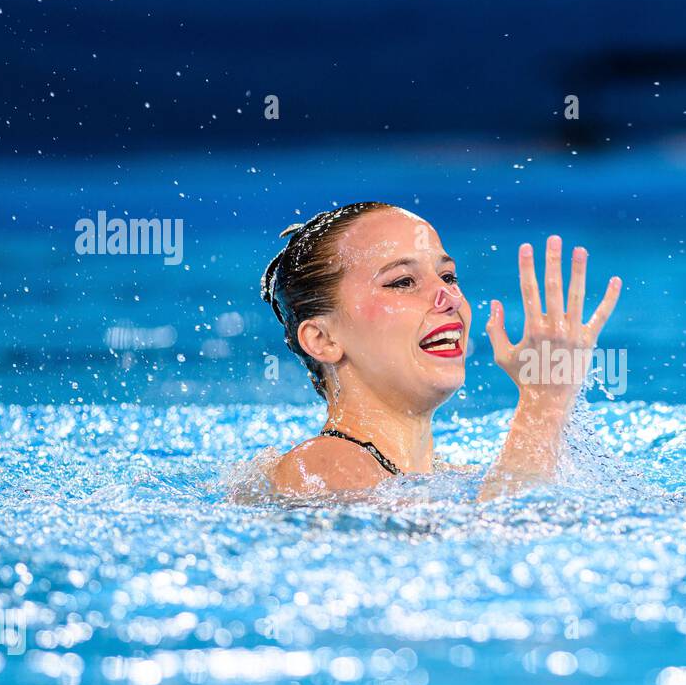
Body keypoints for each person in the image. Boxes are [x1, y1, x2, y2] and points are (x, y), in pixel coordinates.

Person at [258, 202, 621, 500]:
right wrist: (543, 404)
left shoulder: (453, 481)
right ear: (322, 339)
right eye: (402, 282)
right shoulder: (321, 468)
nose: (450, 297)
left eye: (447, 277)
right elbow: (498, 558)